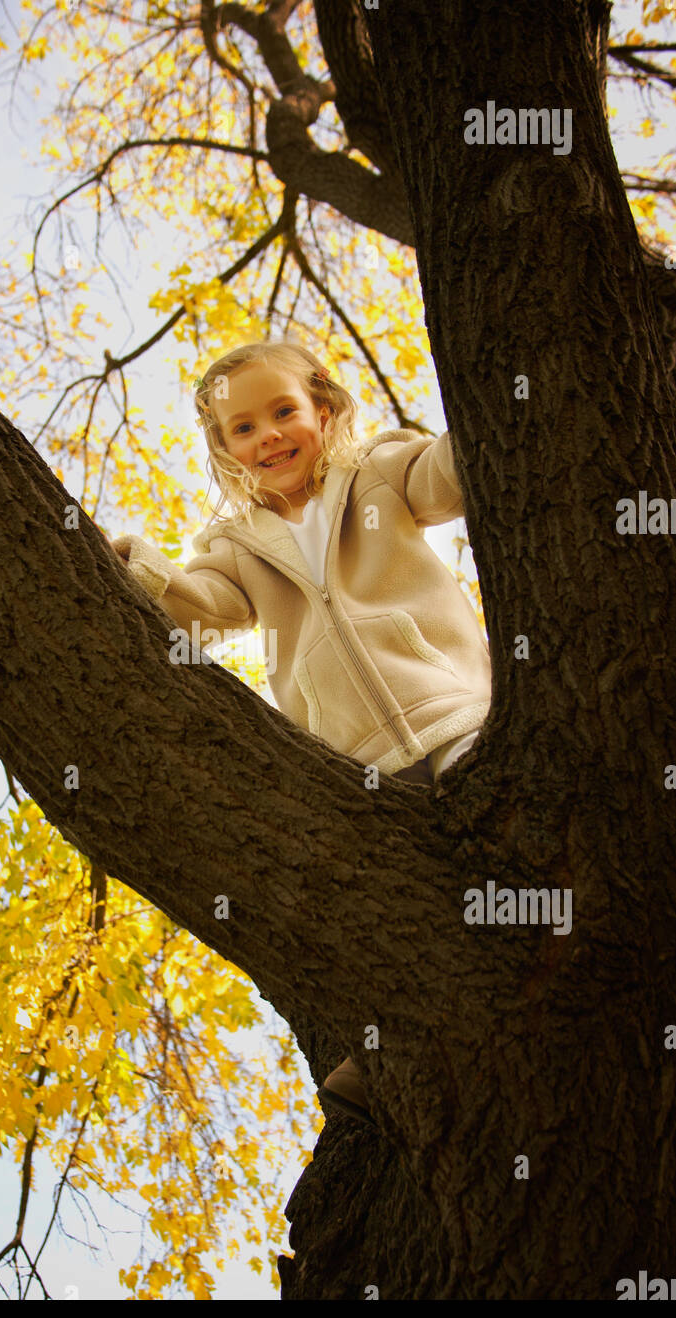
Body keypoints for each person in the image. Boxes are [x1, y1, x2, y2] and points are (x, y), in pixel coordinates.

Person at [110, 339, 491, 1127]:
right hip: (351, 761)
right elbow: (198, 606)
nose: (269, 436)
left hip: (452, 712)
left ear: (323, 406)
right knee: (388, 894)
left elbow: (446, 474)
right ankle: (388, 1046)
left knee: (496, 833)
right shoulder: (236, 546)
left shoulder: (377, 472)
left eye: (283, 411)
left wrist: (491, 398)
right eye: (242, 428)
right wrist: (130, 568)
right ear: (225, 449)